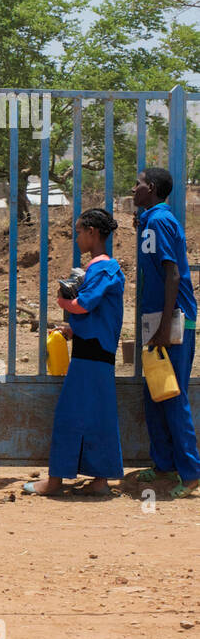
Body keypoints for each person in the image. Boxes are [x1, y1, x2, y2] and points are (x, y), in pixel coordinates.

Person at [25, 208, 125, 497]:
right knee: (100, 417)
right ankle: (100, 481)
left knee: (68, 415)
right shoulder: (105, 268)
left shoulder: (102, 268)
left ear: (92, 232)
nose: (77, 236)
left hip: (90, 358)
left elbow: (84, 305)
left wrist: (62, 301)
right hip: (98, 353)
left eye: (79, 231)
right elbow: (98, 315)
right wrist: (71, 330)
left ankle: (54, 481)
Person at [130, 168, 200, 498]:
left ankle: (189, 474)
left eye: (139, 184)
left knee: (172, 396)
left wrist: (162, 326)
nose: (134, 187)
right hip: (157, 319)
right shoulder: (151, 220)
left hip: (172, 321)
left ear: (152, 188)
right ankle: (163, 464)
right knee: (155, 393)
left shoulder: (160, 221)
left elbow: (172, 275)